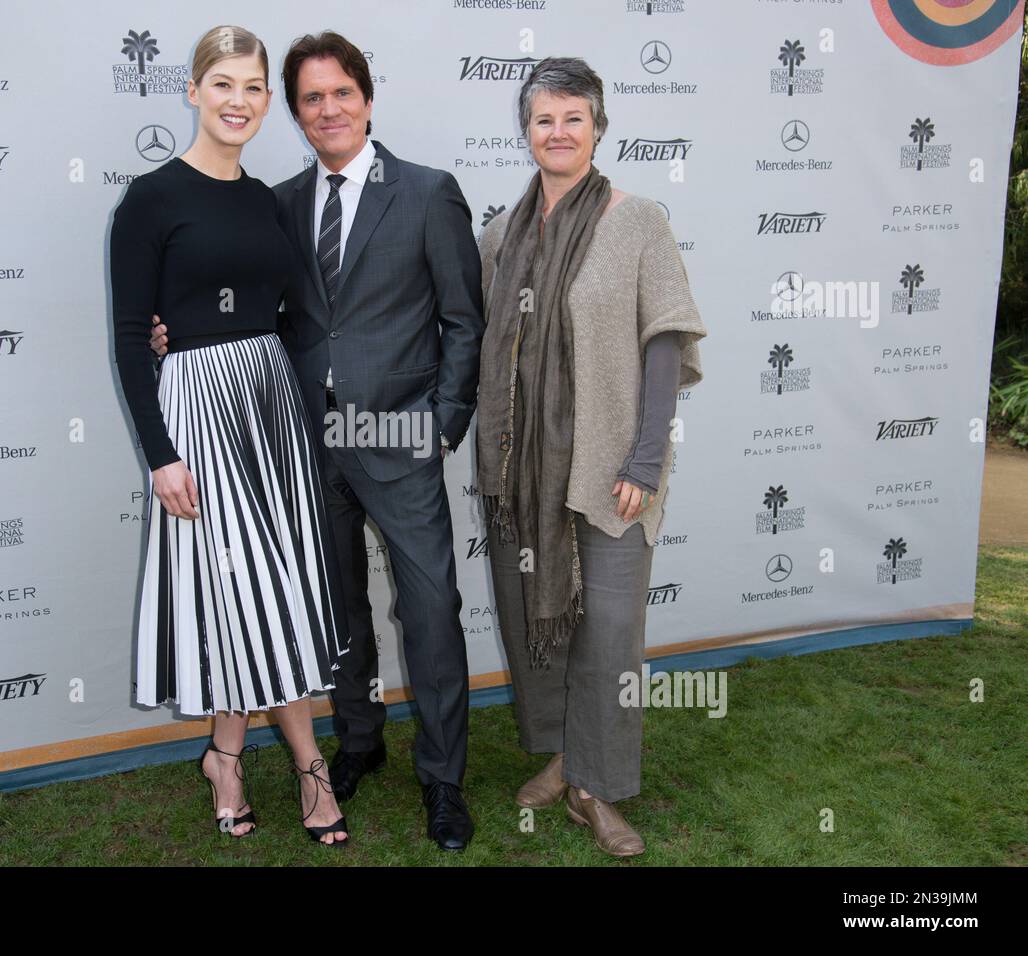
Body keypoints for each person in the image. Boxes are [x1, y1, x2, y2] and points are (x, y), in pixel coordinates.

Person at [152, 31, 484, 851]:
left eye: (341, 93)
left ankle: (443, 781)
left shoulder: (429, 192)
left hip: (400, 437)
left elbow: (464, 324)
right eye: (310, 98)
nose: (327, 109)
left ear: (367, 100)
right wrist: (175, 333)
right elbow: (257, 311)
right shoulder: (281, 203)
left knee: (431, 612)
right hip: (301, 440)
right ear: (294, 114)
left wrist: (440, 429)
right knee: (336, 615)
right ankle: (358, 743)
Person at [109, 25, 351, 846]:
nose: (239, 102)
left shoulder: (264, 199)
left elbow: (277, 310)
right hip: (197, 414)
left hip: (269, 408)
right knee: (242, 589)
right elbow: (123, 337)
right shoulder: (150, 198)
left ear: (267, 101)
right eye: (223, 85)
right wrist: (161, 454)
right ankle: (309, 764)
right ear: (193, 91)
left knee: (259, 589)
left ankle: (225, 753)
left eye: (253, 87)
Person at [476, 57, 706, 857]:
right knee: (537, 621)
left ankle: (598, 791)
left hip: (612, 472)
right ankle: (567, 758)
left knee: (609, 632)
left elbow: (666, 340)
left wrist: (645, 462)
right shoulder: (500, 238)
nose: (559, 131)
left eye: (574, 118)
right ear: (526, 132)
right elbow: (488, 351)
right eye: (544, 119)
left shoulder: (636, 219)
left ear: (598, 130)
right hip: (522, 476)